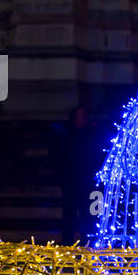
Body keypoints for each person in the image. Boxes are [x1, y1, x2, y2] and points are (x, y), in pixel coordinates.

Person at [53, 105, 103, 244]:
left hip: (88, 182)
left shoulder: (92, 135)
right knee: (69, 215)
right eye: (78, 116)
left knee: (89, 216)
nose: (80, 120)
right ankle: (68, 244)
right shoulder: (66, 136)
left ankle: (87, 242)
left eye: (83, 116)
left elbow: (97, 156)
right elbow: (59, 158)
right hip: (71, 182)